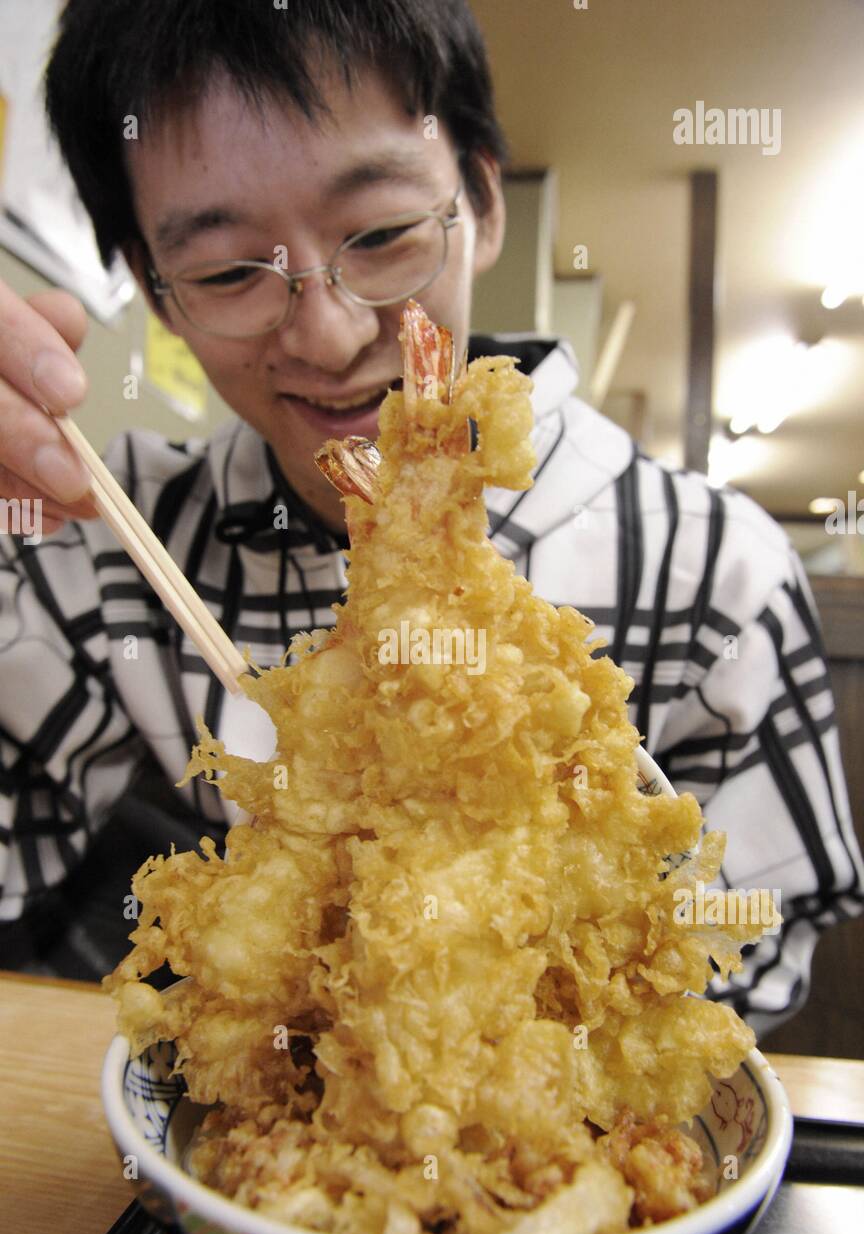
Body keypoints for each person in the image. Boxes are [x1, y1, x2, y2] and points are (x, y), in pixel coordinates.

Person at [0, 0, 860, 1033]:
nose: (323, 334)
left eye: (381, 235)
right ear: (154, 291)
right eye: (230, 271)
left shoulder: (716, 573)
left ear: (484, 203)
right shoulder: (88, 547)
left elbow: (751, 958)